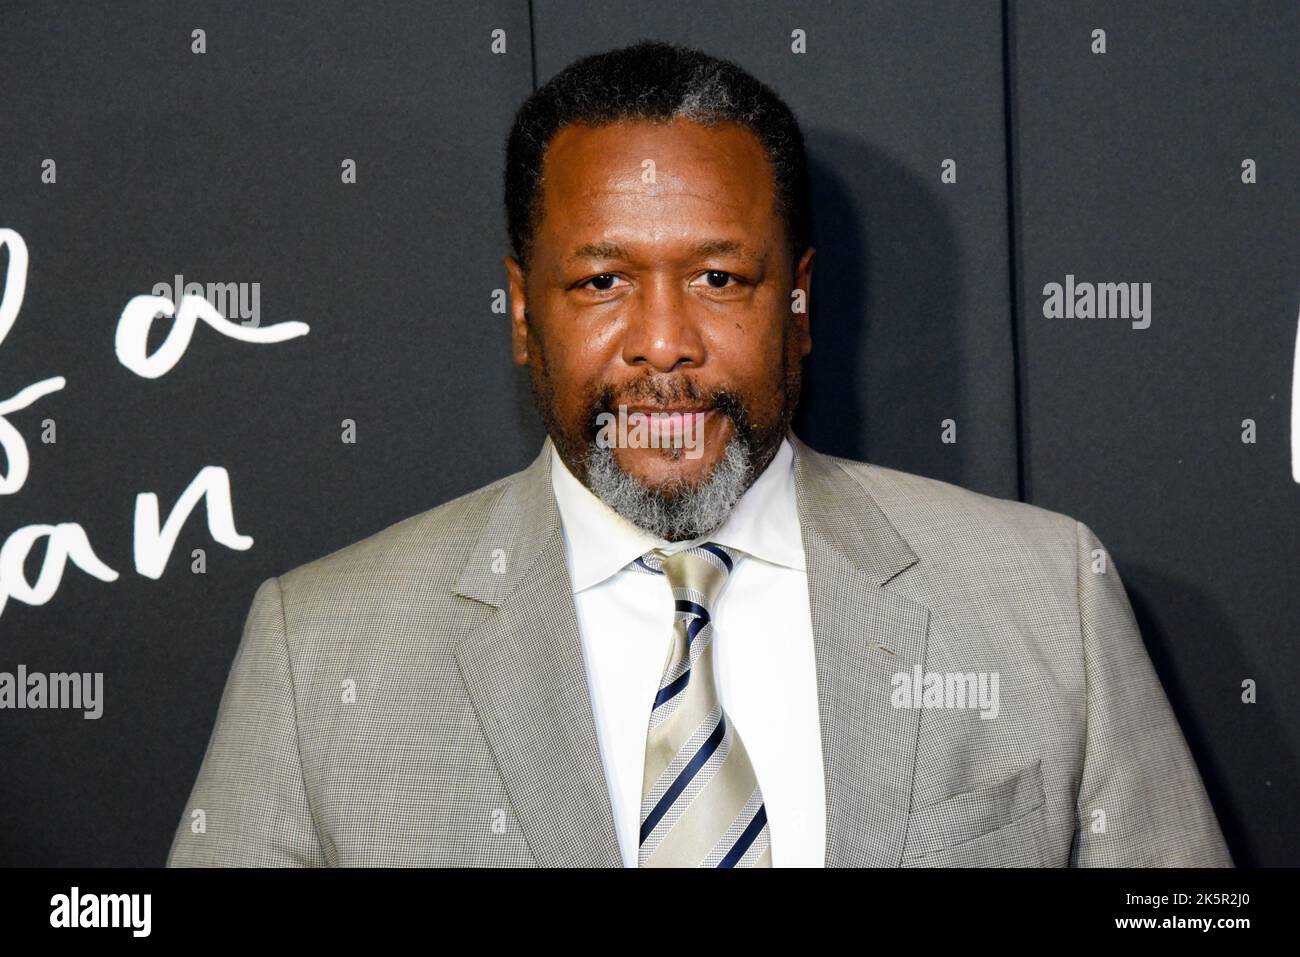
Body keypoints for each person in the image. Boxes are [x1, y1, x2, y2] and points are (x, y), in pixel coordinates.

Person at [167, 40, 1230, 867]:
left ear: (800, 301)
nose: (664, 340)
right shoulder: (320, 654)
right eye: (601, 282)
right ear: (522, 316)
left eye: (719, 278)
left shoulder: (1047, 600)